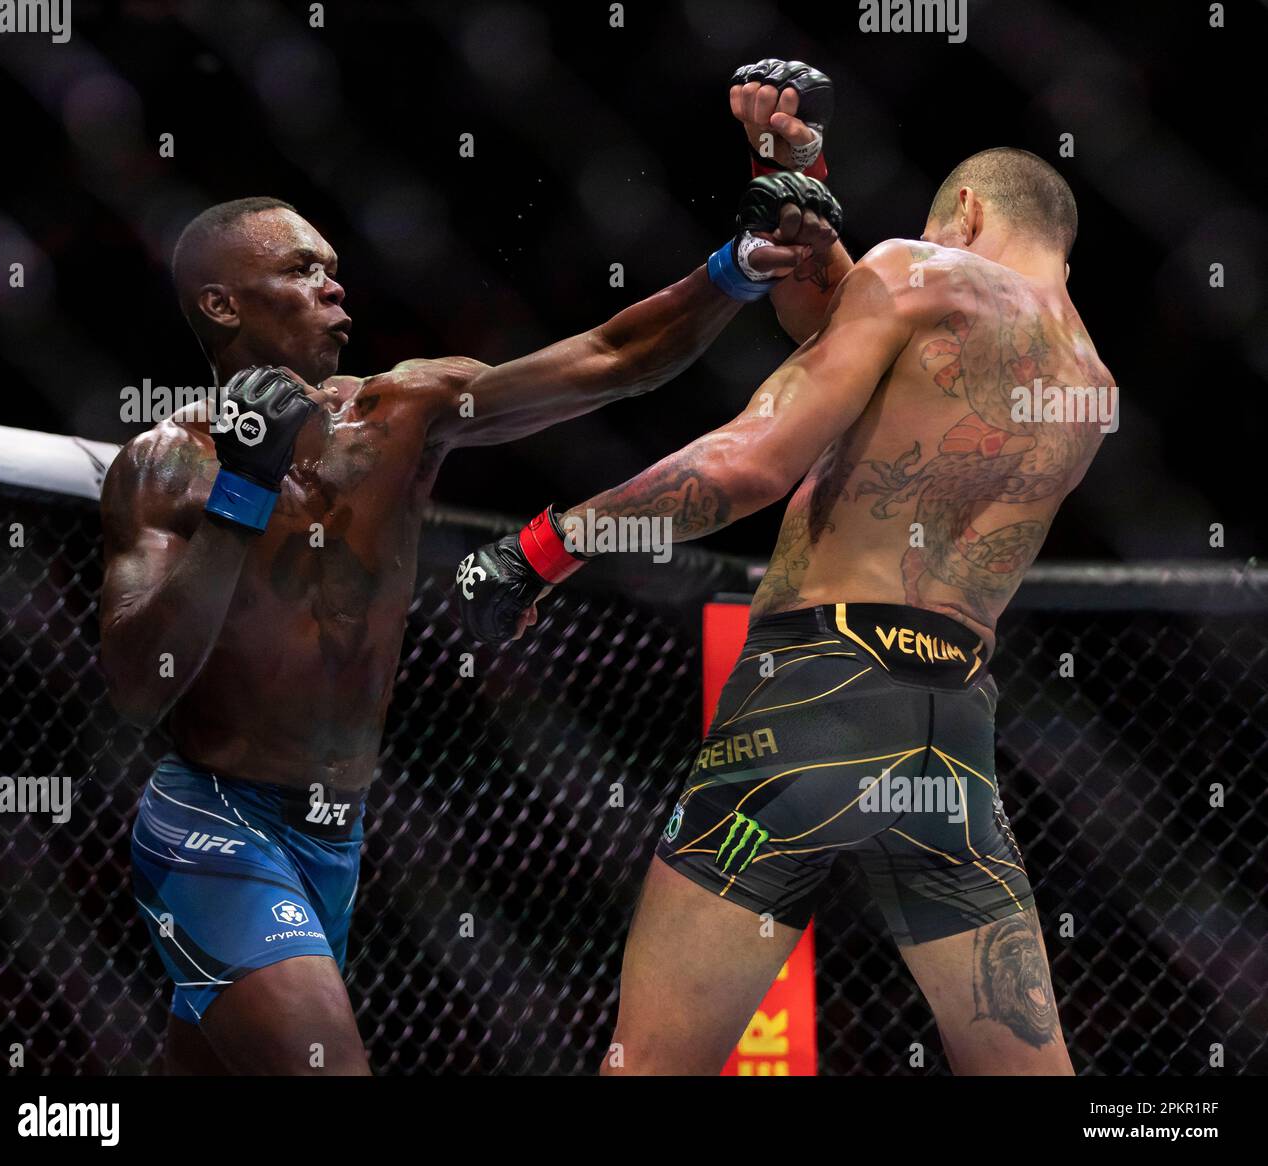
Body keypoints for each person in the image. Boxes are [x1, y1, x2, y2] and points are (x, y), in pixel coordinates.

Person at [100, 168, 841, 1074]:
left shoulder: (401, 412)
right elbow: (140, 685)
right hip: (216, 820)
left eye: (333, 266)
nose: (334, 284)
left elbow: (612, 357)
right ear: (221, 304)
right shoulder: (169, 463)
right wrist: (239, 500)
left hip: (338, 833)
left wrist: (736, 267)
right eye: (300, 270)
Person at [456, 118, 1112, 1074]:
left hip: (814, 698)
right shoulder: (1091, 384)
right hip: (952, 729)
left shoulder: (921, 272)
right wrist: (792, 187)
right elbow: (857, 332)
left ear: (962, 213)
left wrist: (545, 547)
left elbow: (749, 465)